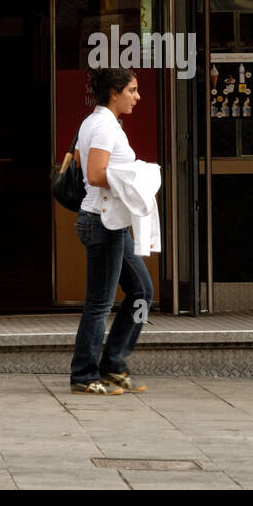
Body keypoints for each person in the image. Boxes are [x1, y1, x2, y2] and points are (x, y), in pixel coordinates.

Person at [68, 67, 154, 395]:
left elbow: (77, 159)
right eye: (132, 90)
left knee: (142, 291)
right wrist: (134, 177)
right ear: (114, 93)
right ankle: (84, 374)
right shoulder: (104, 126)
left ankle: (114, 365)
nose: (137, 96)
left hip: (109, 221)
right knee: (99, 303)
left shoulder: (94, 122)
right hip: (102, 221)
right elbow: (93, 174)